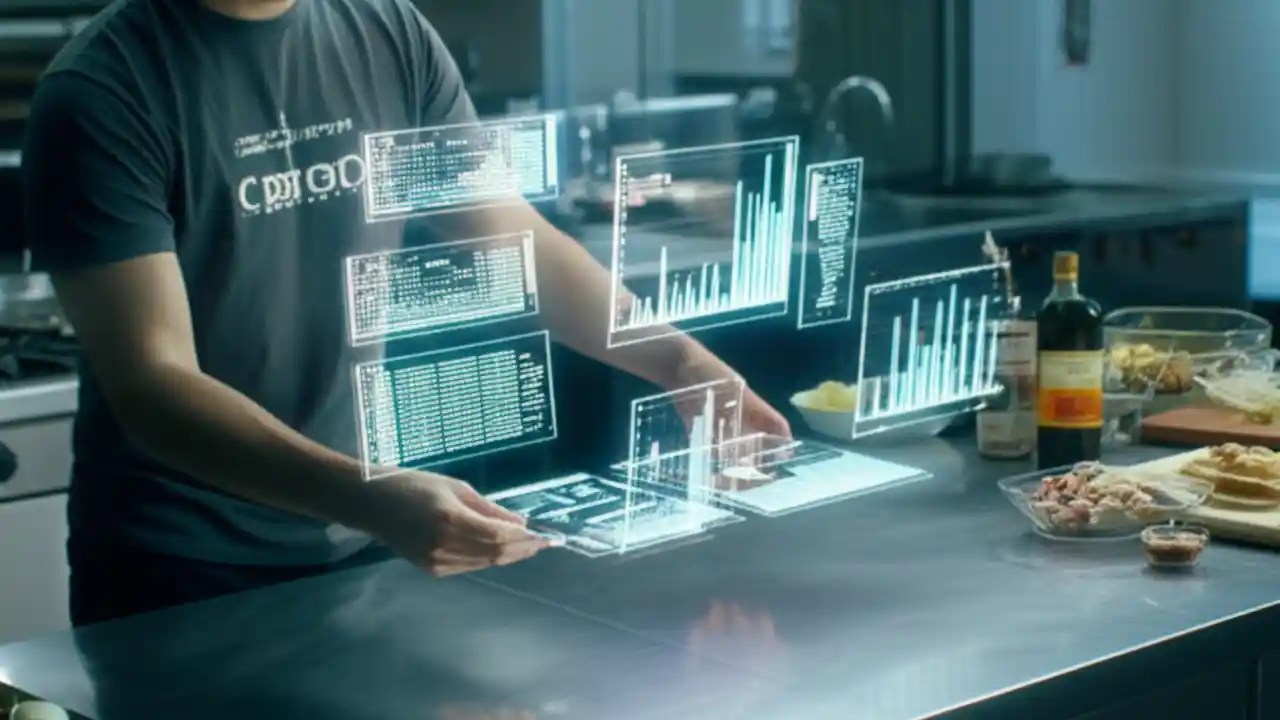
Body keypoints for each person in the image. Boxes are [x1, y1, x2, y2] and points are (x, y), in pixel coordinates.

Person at [23, 0, 790, 627]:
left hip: (355, 546)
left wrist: (678, 361)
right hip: (177, 568)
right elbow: (154, 387)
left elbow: (512, 239)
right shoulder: (103, 89)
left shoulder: (387, 32)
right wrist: (365, 493)